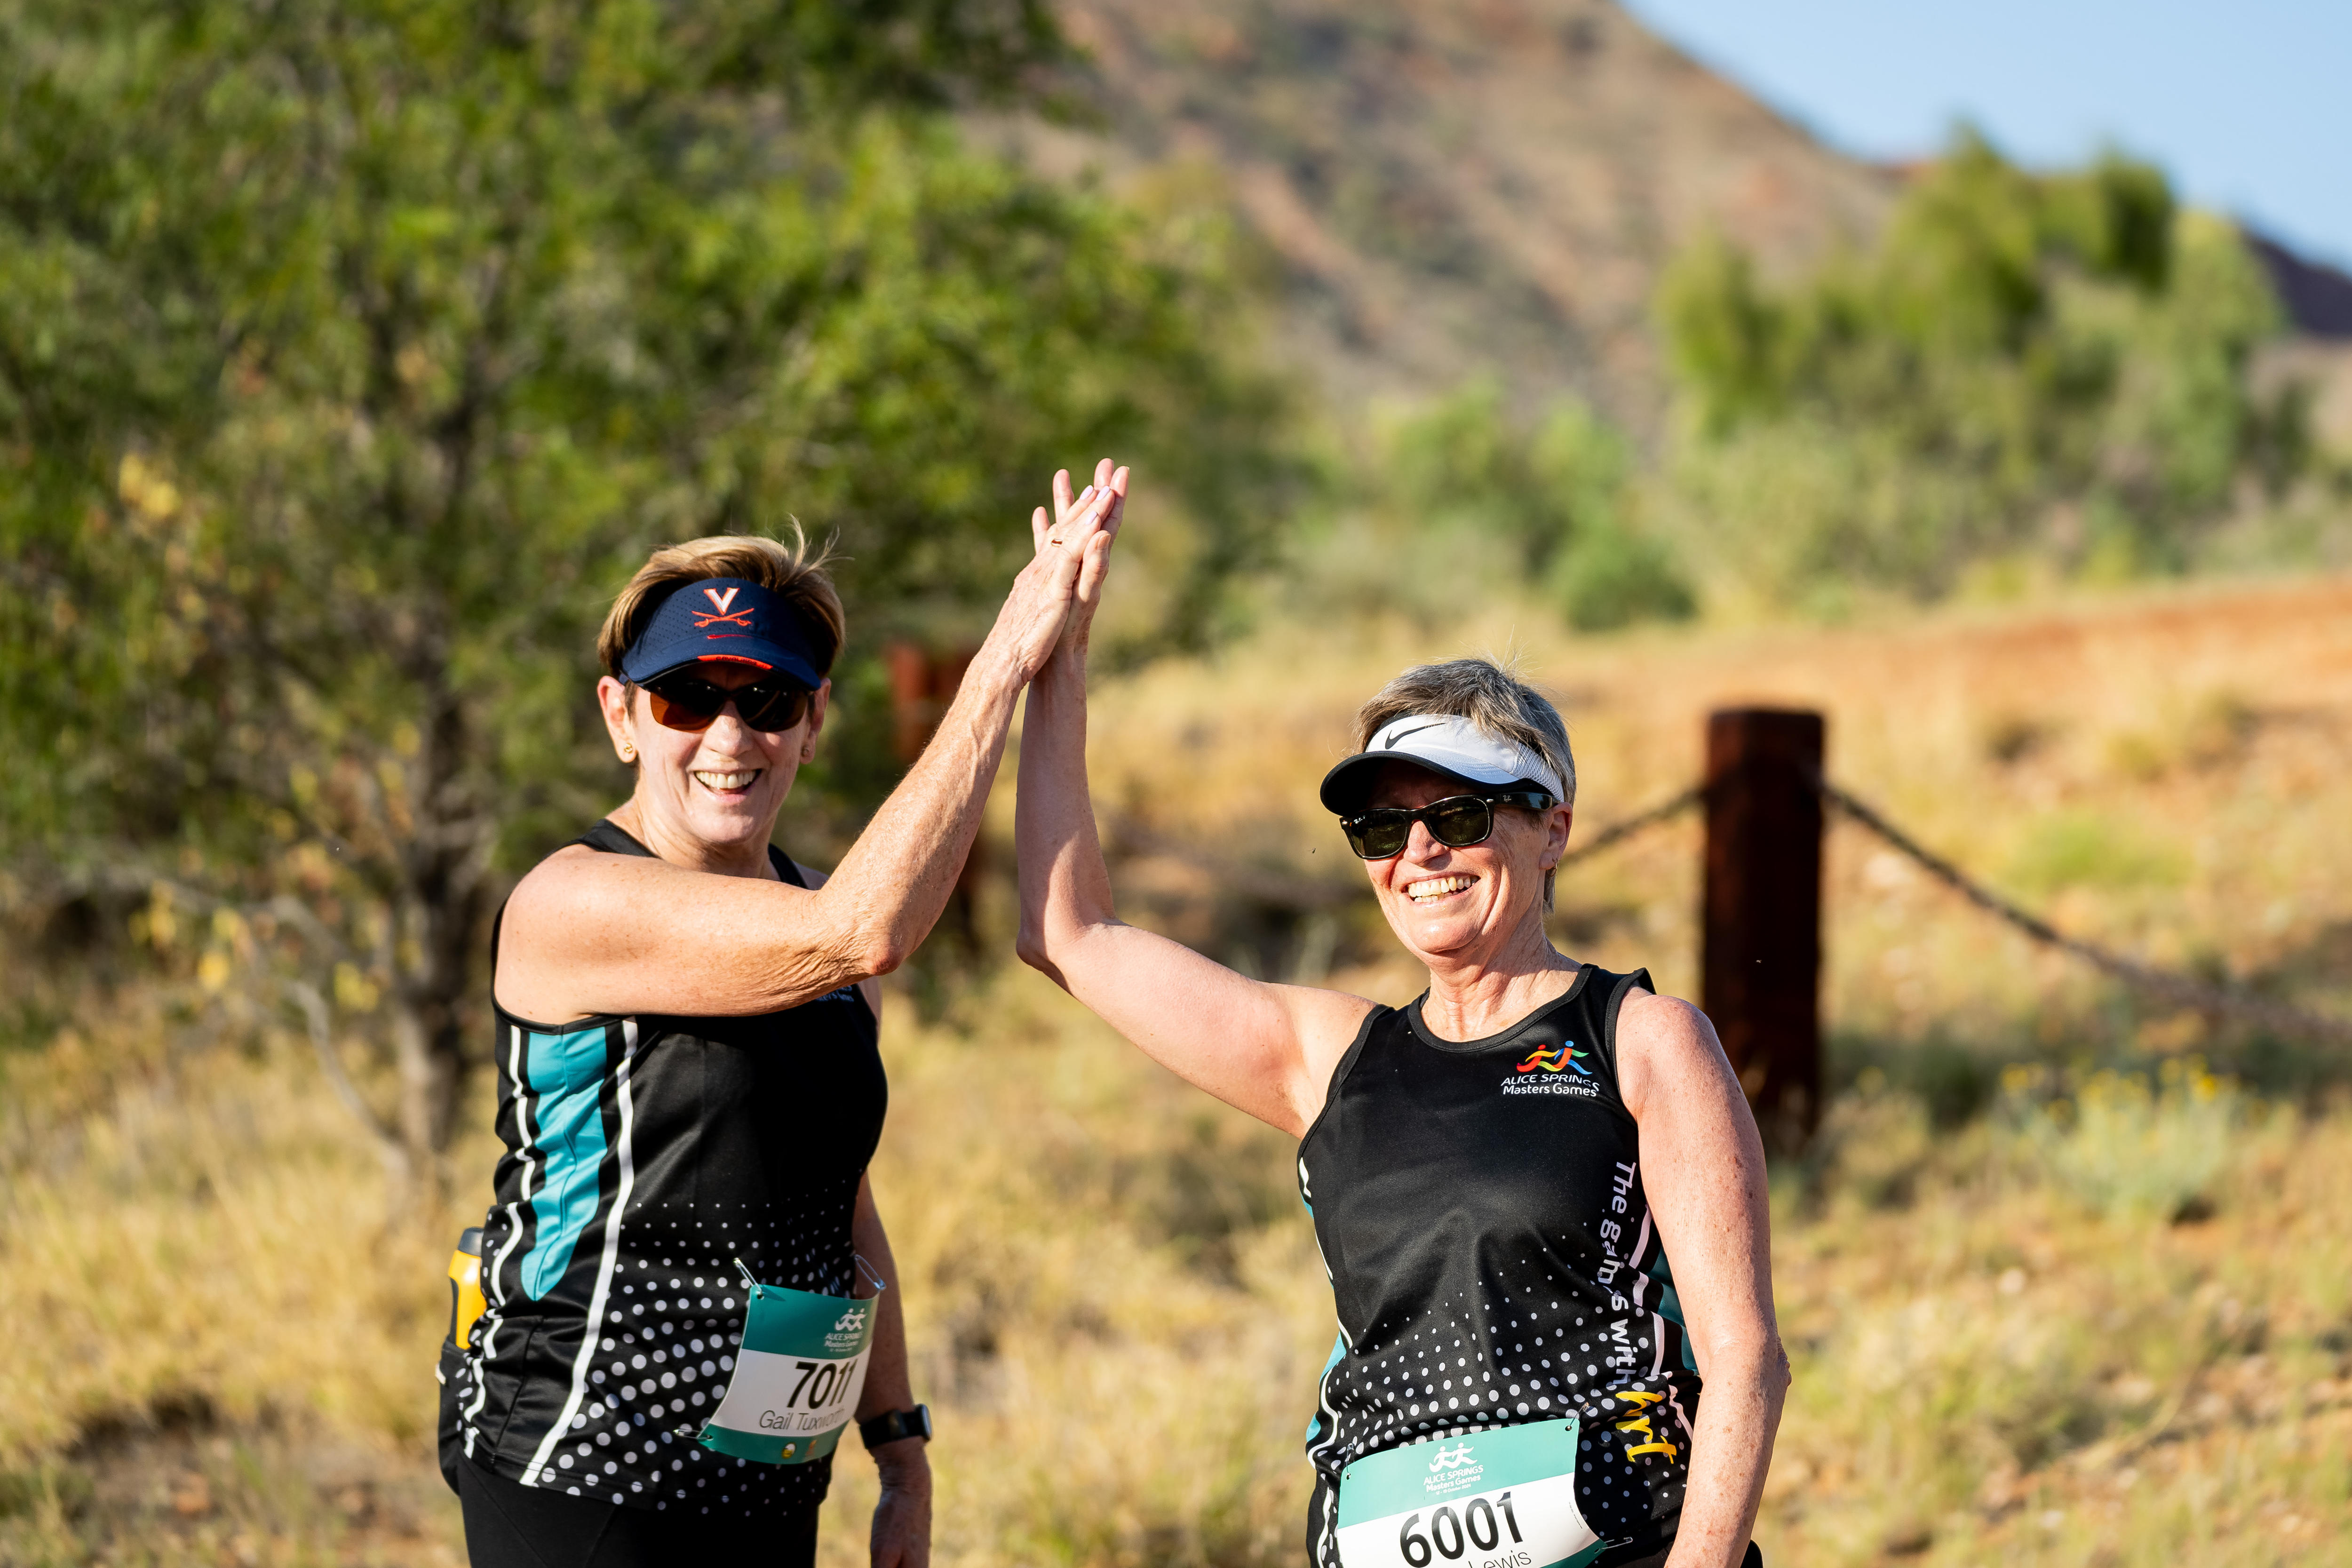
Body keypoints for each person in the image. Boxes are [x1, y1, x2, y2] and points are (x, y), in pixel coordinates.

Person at [1015, 467, 1786, 1568]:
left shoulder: (1642, 1039)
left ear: (1551, 828)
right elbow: (1067, 934)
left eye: (1457, 815)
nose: (1417, 853)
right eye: (1382, 829)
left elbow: (1744, 1359)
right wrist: (1055, 660)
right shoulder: (1329, 1057)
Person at [445, 478, 1118, 1568]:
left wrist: (899, 1449)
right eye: (687, 698)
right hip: (590, 1454)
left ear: (811, 725)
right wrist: (1005, 655)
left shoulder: (819, 917)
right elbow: (870, 926)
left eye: (767, 700)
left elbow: (841, 1199)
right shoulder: (572, 902)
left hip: (766, 1470)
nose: (730, 734)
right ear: (621, 716)